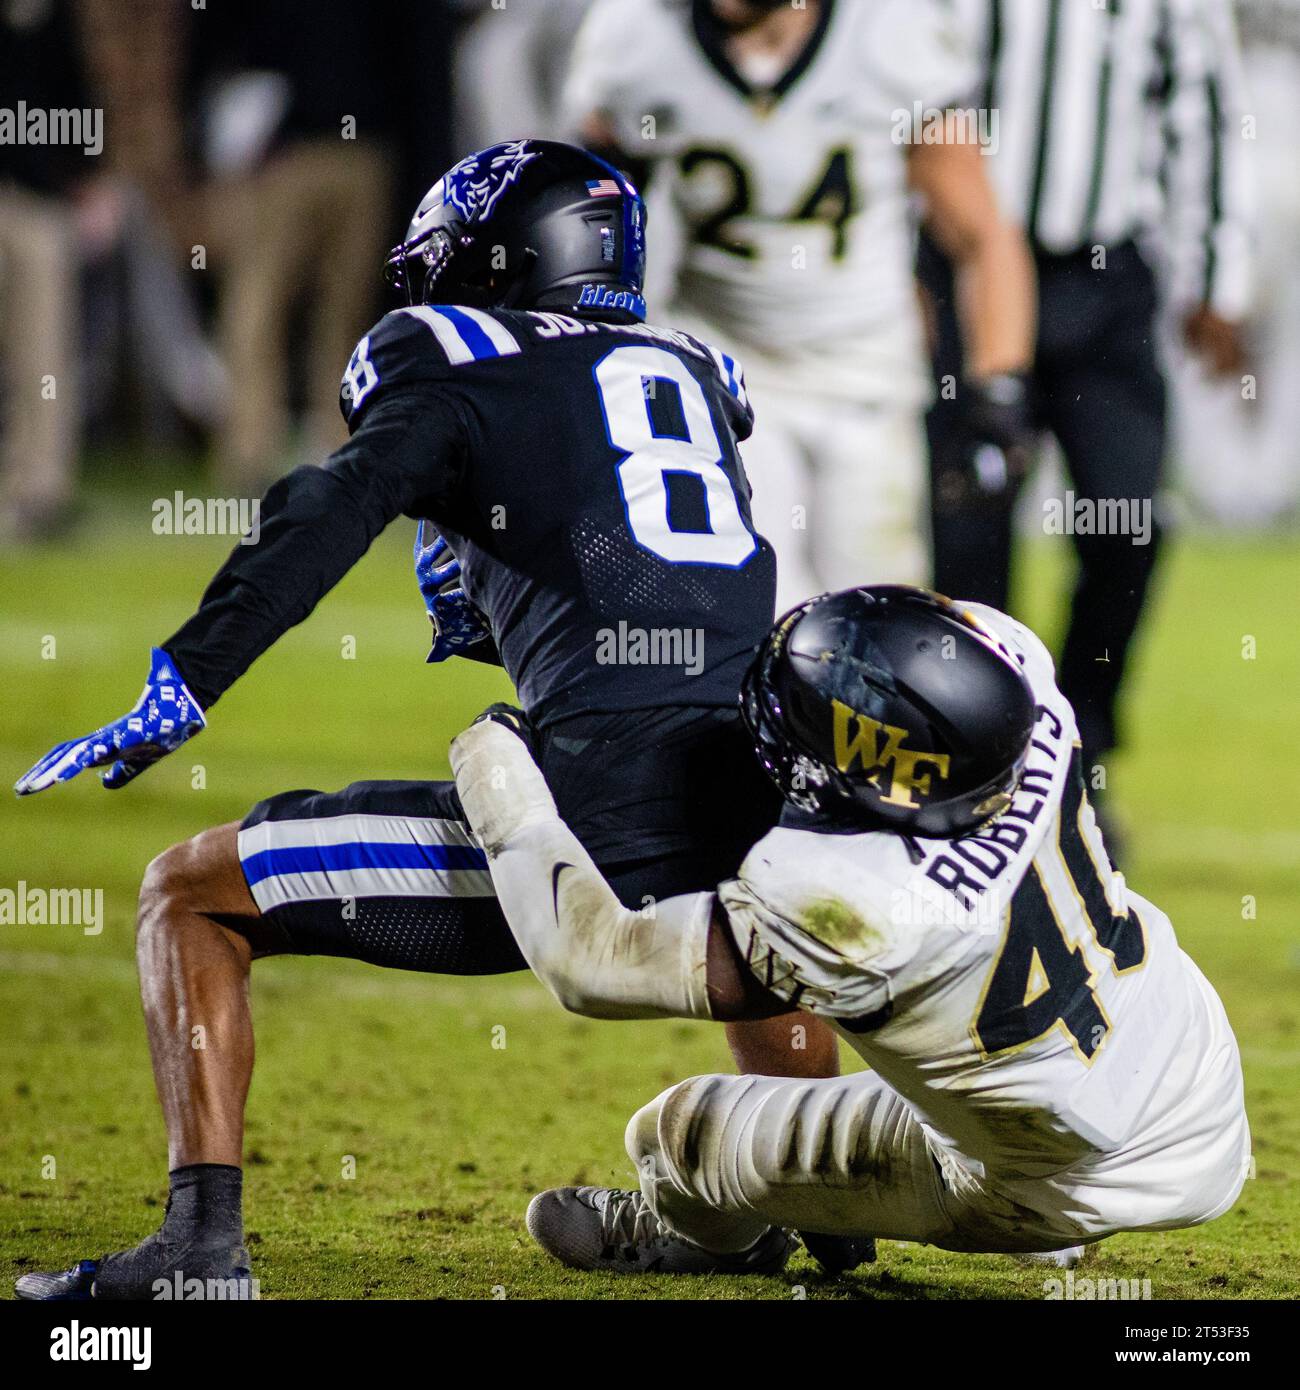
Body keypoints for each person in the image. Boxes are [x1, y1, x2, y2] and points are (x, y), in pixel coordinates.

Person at [12, 139, 839, 1302]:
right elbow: (647, 568)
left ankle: (198, 1255)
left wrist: (188, 679)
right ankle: (808, 1198)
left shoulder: (459, 355)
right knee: (751, 895)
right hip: (758, 794)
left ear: (501, 258)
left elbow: (328, 508)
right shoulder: (695, 369)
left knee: (184, 893)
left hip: (586, 828)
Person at [446, 586, 1250, 1276]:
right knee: (993, 1073)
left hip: (1052, 1181)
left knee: (672, 1134)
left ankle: (725, 1244)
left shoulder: (852, 907)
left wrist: (499, 777)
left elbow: (584, 962)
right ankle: (1033, 1213)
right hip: (1190, 1052)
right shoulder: (1022, 677)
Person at [563, 0, 1036, 610]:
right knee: (757, 610)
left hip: (867, 371)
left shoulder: (890, 34)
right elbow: (589, 226)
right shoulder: (636, 36)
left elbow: (980, 237)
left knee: (877, 619)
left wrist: (997, 394)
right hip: (723, 371)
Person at [923, 0, 1253, 792]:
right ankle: (973, 766)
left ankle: (1075, 753)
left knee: (1127, 520)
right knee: (969, 533)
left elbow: (1204, 109)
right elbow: (901, 98)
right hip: (966, 267)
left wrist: (1214, 282)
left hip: (1104, 281)